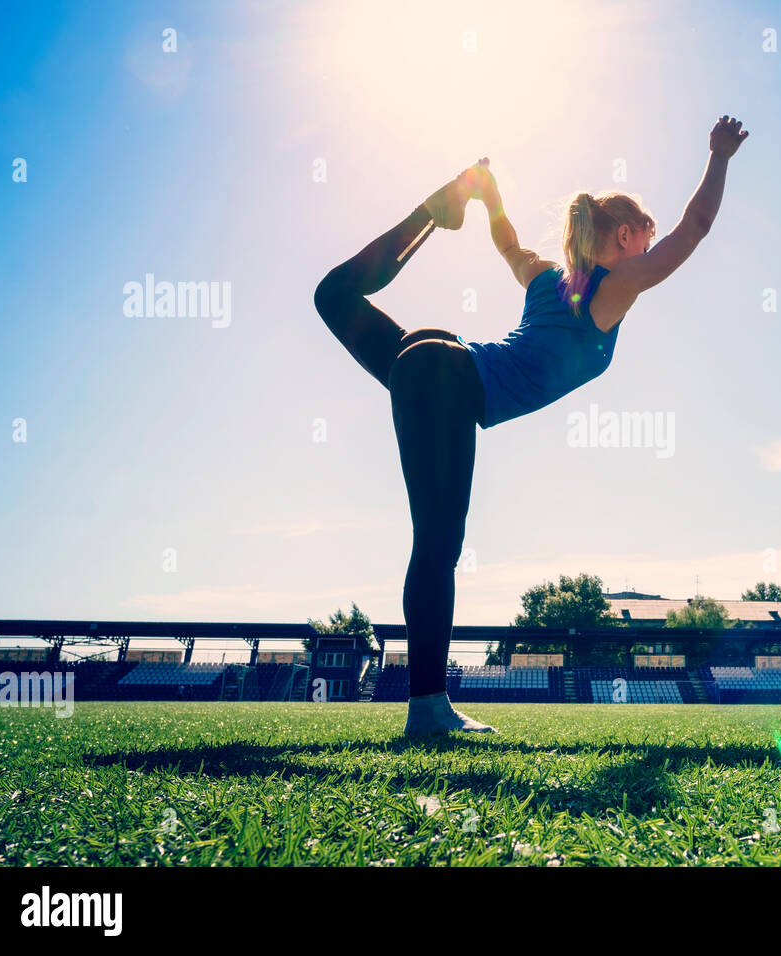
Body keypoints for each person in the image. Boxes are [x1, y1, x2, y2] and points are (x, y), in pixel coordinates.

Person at [314, 116, 749, 735]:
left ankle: (436, 209)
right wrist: (719, 156)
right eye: (644, 242)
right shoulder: (613, 287)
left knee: (333, 296)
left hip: (433, 358)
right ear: (624, 236)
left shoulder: (547, 277)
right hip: (448, 383)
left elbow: (507, 243)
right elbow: (696, 228)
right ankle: (428, 711)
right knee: (437, 545)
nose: (649, 255)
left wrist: (488, 197)